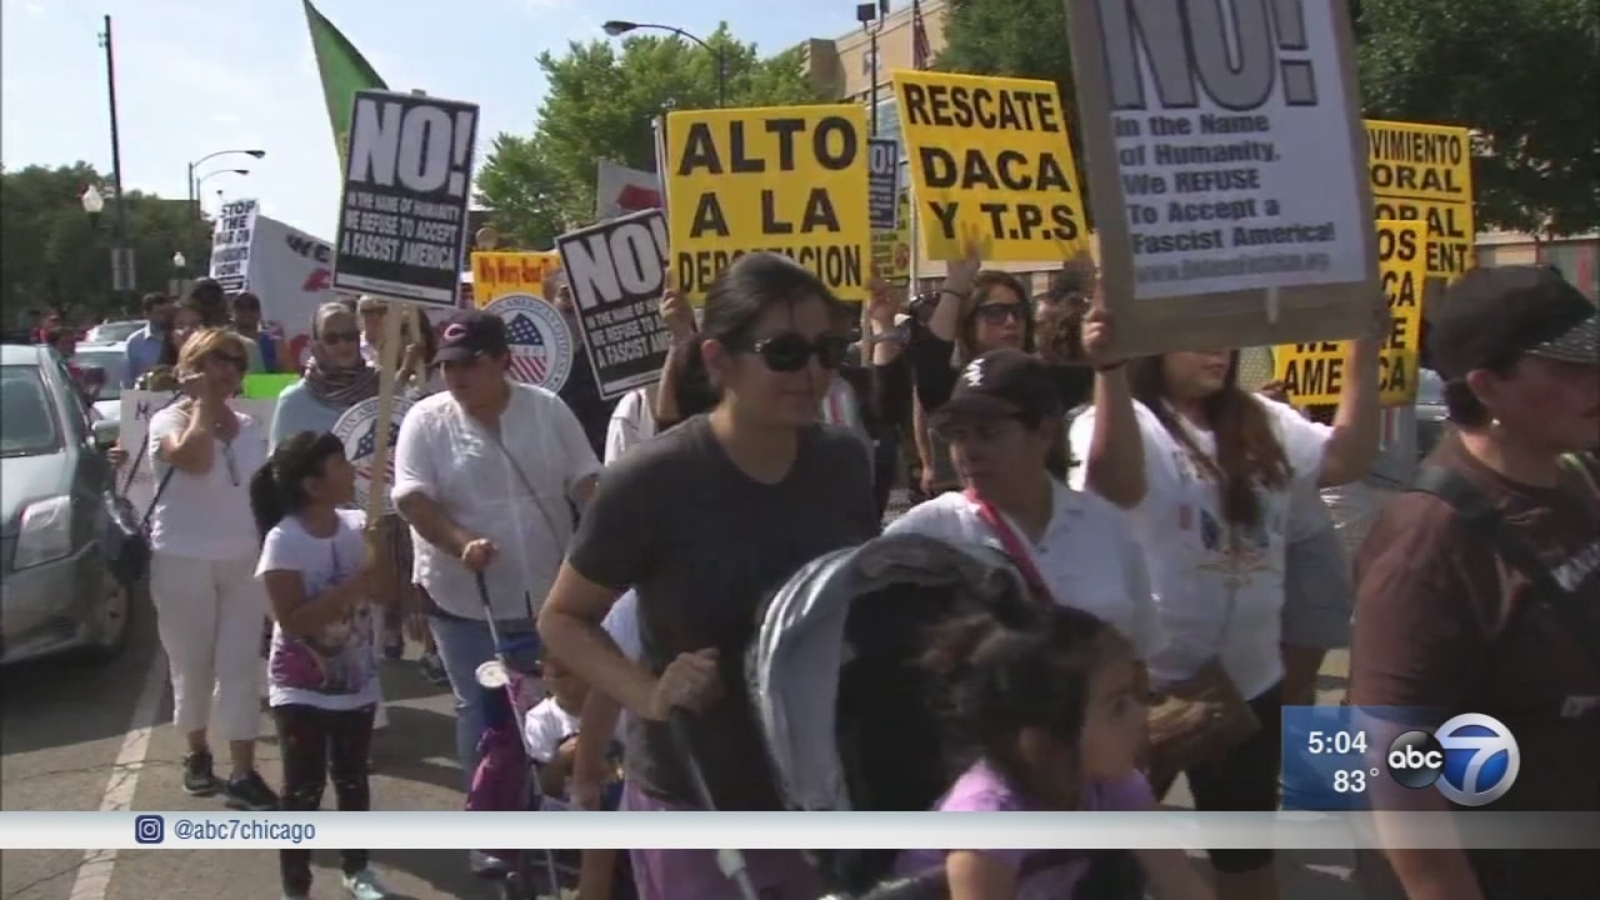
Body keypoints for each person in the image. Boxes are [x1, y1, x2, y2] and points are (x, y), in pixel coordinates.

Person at [538, 251, 880, 900]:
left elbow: (852, 601)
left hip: (816, 796)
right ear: (719, 360)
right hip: (695, 802)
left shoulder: (843, 460)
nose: (812, 372)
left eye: (828, 350)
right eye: (784, 352)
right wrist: (647, 693)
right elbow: (561, 618)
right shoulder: (652, 479)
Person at [1068, 299, 1384, 900]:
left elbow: (1347, 457)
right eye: (1197, 338)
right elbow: (1113, 486)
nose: (1218, 352)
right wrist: (1107, 371)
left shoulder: (1266, 419)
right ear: (1155, 343)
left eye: (1227, 339)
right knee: (1106, 870)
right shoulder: (1119, 420)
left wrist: (1363, 350)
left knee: (1247, 863)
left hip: (1248, 689)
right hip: (1144, 691)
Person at [1348, 265, 1599, 900]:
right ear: (1487, 386)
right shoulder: (1426, 546)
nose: (1595, 384)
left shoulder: (1574, 478)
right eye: (1571, 370)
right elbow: (1395, 766)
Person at [392, 309, 601, 791]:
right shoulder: (425, 419)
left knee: (559, 706)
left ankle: (552, 822)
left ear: (503, 360)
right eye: (447, 365)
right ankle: (489, 829)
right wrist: (460, 543)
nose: (456, 375)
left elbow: (587, 479)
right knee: (483, 710)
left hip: (549, 593)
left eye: (469, 363)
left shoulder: (547, 408)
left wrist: (614, 537)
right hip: (465, 597)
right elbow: (412, 498)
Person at [895, 605, 1212, 900]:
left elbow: (1181, 883)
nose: (1141, 713)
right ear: (1042, 745)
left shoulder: (1111, 784)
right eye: (1117, 706)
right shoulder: (986, 823)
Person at [887, 349, 1160, 661]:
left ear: (1044, 431)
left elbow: (1141, 659)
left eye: (987, 432)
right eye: (958, 435)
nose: (968, 451)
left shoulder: (1108, 527)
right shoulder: (923, 535)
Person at [249, 431, 393, 900]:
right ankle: (298, 886)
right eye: (339, 464)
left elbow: (387, 593)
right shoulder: (284, 540)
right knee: (302, 791)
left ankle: (358, 870)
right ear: (312, 484)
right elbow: (290, 620)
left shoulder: (357, 525)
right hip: (301, 690)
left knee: (353, 782)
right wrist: (351, 587)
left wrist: (380, 551)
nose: (351, 471)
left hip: (357, 685)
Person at [146, 327, 278, 810]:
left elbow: (259, 492)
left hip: (241, 559)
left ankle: (244, 770)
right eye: (217, 360)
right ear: (192, 365)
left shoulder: (249, 424)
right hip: (181, 560)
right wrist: (202, 405)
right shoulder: (166, 421)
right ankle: (198, 752)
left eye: (237, 362)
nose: (229, 370)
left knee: (240, 666)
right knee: (192, 668)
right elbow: (195, 460)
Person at [124, 292, 175, 388]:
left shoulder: (181, 337)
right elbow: (128, 379)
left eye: (169, 312)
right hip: (147, 399)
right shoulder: (135, 342)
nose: (167, 317)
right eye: (161, 313)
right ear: (147, 315)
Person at [231, 291, 280, 373]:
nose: (246, 311)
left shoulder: (276, 344)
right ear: (232, 313)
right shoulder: (224, 344)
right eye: (240, 307)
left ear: (260, 313)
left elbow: (290, 379)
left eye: (252, 306)